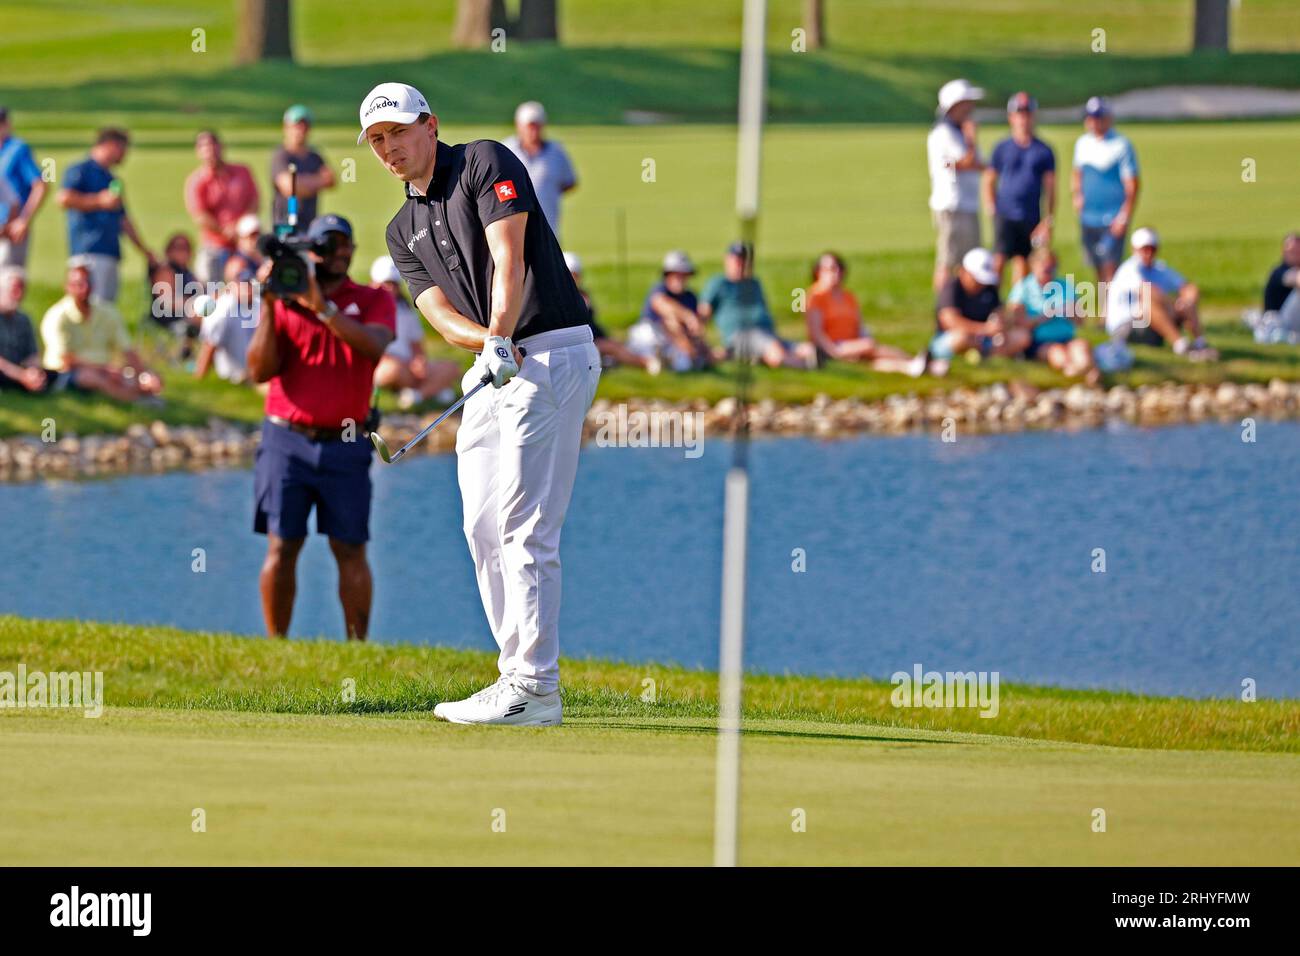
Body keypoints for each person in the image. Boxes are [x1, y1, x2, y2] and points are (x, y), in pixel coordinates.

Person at [363, 80, 600, 725]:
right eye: (378, 140)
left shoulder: (484, 162)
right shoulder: (400, 230)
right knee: (481, 526)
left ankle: (535, 686)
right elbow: (438, 314)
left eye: (400, 132)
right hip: (493, 368)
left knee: (525, 527)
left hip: (549, 351)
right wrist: (485, 345)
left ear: (430, 126)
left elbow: (509, 258)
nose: (391, 148)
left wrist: (498, 335)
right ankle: (516, 675)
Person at [244, 213, 395, 642]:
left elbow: (375, 347)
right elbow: (258, 370)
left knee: (350, 547)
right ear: (312, 252)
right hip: (285, 441)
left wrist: (322, 308)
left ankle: (356, 651)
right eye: (331, 245)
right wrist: (272, 304)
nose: (341, 253)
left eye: (347, 245)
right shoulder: (285, 301)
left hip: (346, 443)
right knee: (282, 545)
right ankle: (278, 647)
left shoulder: (371, 299)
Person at [57, 127, 157, 303]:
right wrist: (99, 201)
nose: (125, 155)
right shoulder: (81, 169)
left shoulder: (112, 180)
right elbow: (64, 199)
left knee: (106, 308)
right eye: (122, 149)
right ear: (110, 145)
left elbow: (123, 219)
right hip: (88, 249)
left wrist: (144, 250)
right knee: (91, 305)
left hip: (110, 250)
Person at [41, 263, 164, 402]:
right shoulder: (58, 316)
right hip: (67, 373)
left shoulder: (106, 312)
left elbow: (127, 349)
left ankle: (138, 396)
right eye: (78, 284)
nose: (84, 289)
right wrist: (105, 370)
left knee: (134, 375)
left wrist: (144, 373)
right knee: (89, 377)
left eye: (87, 283)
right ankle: (129, 399)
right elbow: (66, 360)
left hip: (105, 371)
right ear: (68, 287)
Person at [805, 252, 927, 375]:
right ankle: (915, 362)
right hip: (834, 346)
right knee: (870, 346)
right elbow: (816, 332)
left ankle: (910, 366)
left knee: (873, 358)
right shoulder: (815, 296)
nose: (834, 273)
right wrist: (833, 351)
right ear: (818, 272)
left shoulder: (848, 296)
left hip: (852, 343)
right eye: (829, 269)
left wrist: (863, 339)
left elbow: (859, 324)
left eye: (837, 268)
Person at [700, 241, 815, 368]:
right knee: (776, 352)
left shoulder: (754, 283)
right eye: (737, 260)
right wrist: (701, 340)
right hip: (741, 334)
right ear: (727, 260)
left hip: (766, 332)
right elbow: (704, 313)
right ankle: (801, 365)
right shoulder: (719, 283)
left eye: (744, 260)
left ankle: (755, 357)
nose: (740, 264)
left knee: (808, 349)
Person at [1106, 227, 1216, 359]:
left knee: (1185, 304)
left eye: (1151, 249)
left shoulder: (1160, 268)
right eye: (1144, 249)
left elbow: (1189, 287)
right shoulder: (1129, 269)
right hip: (1126, 327)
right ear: (1134, 249)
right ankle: (1181, 345)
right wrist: (1173, 305)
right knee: (1148, 306)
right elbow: (1147, 292)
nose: (1148, 253)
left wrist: (1187, 302)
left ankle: (1200, 343)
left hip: (1151, 326)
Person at [368, 254, 461, 407]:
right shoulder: (367, 309)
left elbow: (416, 345)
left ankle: (417, 394)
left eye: (393, 284)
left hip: (407, 365)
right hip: (386, 365)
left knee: (452, 368)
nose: (390, 289)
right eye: (385, 283)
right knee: (391, 370)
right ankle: (433, 389)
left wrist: (419, 361)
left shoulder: (405, 311)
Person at [984, 92, 1055, 284]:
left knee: (1023, 262)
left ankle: (1017, 307)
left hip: (1030, 214)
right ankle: (993, 301)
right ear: (1011, 118)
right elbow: (989, 178)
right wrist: (991, 205)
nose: (1023, 119)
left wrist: (1048, 220)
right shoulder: (1002, 147)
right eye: (1019, 114)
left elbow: (1050, 187)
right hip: (1005, 213)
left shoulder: (1044, 150)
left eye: (1027, 114)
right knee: (999, 259)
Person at [1072, 96, 1139, 284]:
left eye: (1099, 117)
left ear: (1108, 118)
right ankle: (1105, 308)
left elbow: (1132, 185)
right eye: (1091, 117)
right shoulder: (1082, 143)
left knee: (1111, 267)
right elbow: (1077, 174)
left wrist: (1124, 215)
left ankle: (1111, 311)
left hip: (1112, 217)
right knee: (1097, 266)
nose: (1094, 122)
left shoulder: (1120, 144)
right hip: (1089, 217)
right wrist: (1077, 196)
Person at [1006, 248, 1099, 385]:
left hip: (1066, 337)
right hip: (1040, 341)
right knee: (1057, 353)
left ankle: (1086, 371)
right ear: (1034, 266)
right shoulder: (1024, 288)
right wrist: (1044, 316)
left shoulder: (1064, 286)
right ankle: (1077, 374)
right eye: (1045, 269)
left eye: (1051, 269)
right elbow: (1015, 323)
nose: (1049, 273)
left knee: (1081, 347)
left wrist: (1073, 313)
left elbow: (1080, 322)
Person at [928, 79, 985, 292]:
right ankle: (943, 309)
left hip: (968, 204)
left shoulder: (958, 132)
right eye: (966, 103)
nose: (971, 108)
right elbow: (966, 162)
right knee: (948, 261)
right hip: (952, 204)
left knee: (968, 262)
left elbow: (979, 164)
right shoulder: (943, 133)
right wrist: (971, 138)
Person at [929, 247, 1030, 363]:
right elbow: (950, 322)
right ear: (964, 272)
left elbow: (999, 311)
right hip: (950, 337)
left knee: (1022, 337)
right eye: (977, 279)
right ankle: (982, 355)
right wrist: (984, 329)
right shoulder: (951, 288)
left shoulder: (989, 287)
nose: (980, 284)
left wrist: (1001, 324)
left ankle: (987, 356)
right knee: (962, 338)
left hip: (985, 339)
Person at [184, 129, 259, 283]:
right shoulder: (197, 181)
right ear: (198, 152)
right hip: (215, 245)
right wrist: (225, 231)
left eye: (213, 145)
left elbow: (254, 201)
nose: (211, 151)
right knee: (210, 286)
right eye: (205, 147)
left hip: (244, 242)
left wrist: (238, 227)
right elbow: (200, 215)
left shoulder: (242, 172)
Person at [565, 251, 657, 373]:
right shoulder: (564, 298)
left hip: (589, 339)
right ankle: (646, 363)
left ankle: (610, 361)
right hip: (576, 344)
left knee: (615, 343)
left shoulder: (583, 295)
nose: (574, 279)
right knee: (612, 347)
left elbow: (592, 324)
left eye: (576, 275)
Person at [626, 249, 711, 372]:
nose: (680, 278)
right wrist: (688, 317)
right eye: (676, 274)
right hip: (650, 336)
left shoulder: (690, 297)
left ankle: (669, 360)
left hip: (673, 344)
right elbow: (661, 304)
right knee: (670, 323)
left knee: (683, 364)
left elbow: (695, 331)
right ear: (668, 274)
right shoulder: (659, 290)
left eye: (683, 274)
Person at [503, 101, 577, 241]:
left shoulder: (556, 151)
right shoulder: (506, 149)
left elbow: (569, 182)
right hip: (513, 227)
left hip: (548, 227)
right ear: (518, 125)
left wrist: (547, 191)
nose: (533, 131)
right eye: (529, 126)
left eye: (537, 126)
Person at [194, 256, 259, 384]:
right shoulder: (223, 308)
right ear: (232, 283)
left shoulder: (259, 302)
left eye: (249, 282)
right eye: (242, 282)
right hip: (237, 376)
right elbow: (209, 345)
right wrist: (199, 378)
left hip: (258, 371)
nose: (248, 288)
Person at [271, 105, 334, 232]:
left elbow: (330, 180)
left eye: (304, 126)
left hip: (310, 225)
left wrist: (301, 183)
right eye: (296, 126)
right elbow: (289, 187)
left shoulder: (314, 156)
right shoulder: (281, 156)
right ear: (286, 128)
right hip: (284, 224)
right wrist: (317, 181)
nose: (300, 130)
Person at [0, 106, 49, 267]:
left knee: (8, 283)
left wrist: (24, 220)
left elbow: (40, 185)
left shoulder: (16, 149)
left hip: (10, 229)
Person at [0, 266, 46, 393]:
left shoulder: (24, 319)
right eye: (14, 289)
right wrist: (21, 376)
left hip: (17, 370)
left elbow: (33, 353)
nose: (18, 295)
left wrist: (33, 372)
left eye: (22, 289)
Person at [1263, 232, 1299, 317]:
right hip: (1277, 324)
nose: (1296, 255)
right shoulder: (1279, 271)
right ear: (1284, 252)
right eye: (1292, 251)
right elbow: (1295, 278)